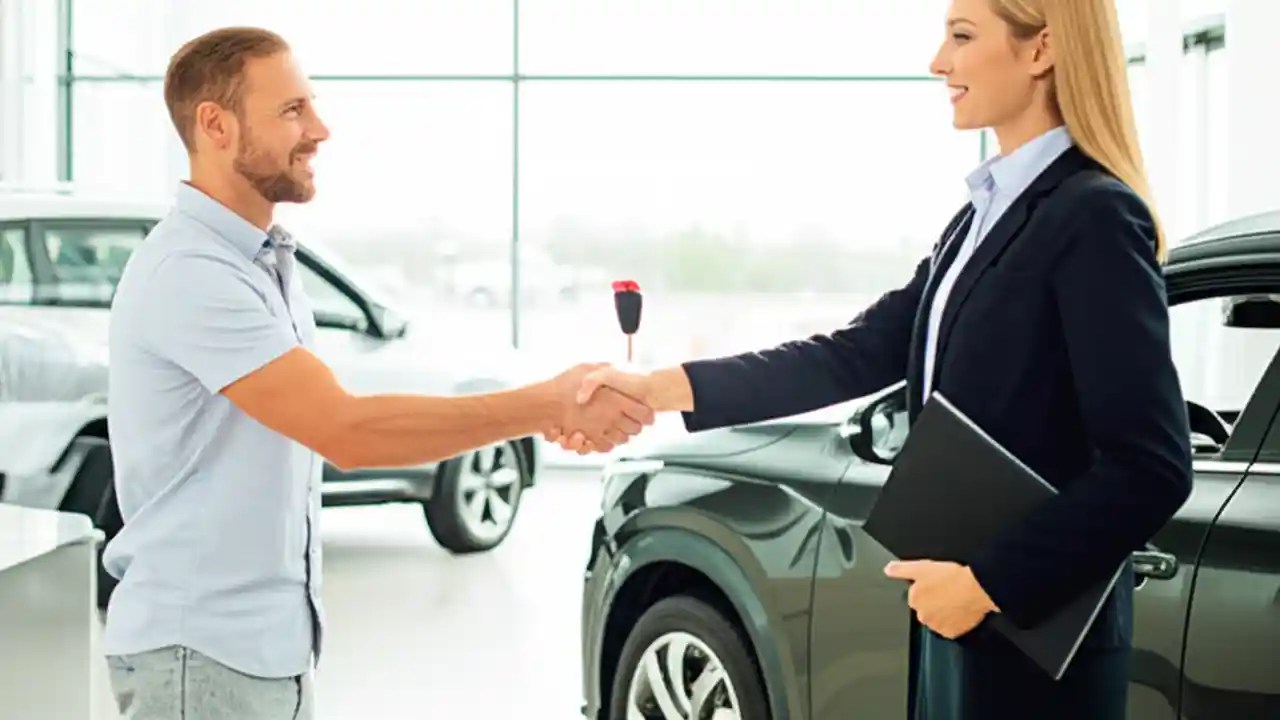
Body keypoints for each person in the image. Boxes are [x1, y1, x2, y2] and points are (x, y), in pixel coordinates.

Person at [549, 0, 1193, 717]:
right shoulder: (982, 219)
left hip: (1030, 640)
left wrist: (987, 584)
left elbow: (1151, 467)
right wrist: (658, 388)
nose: (938, 62)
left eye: (961, 36)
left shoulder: (1095, 215)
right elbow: (852, 356)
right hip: (959, 617)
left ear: (1040, 48)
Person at [103, 27, 652, 720]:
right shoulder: (192, 272)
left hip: (256, 655)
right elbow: (348, 431)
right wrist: (548, 405)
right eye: (293, 111)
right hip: (202, 657)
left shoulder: (259, 262)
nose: (320, 130)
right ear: (215, 124)